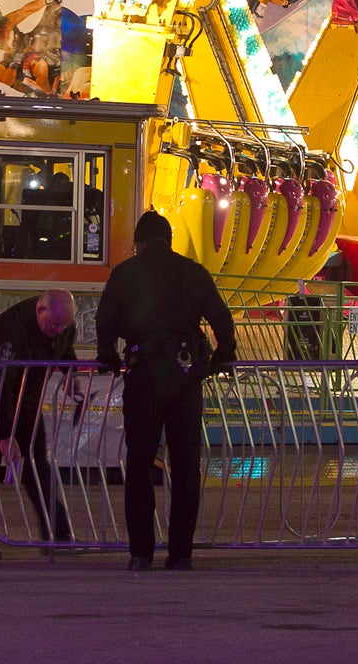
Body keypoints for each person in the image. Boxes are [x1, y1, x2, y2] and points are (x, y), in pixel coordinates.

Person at [95, 211, 236, 571]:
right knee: (186, 466)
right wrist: (223, 356)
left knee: (141, 465)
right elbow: (221, 317)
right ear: (169, 240)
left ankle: (141, 553)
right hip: (184, 375)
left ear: (139, 243)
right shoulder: (192, 271)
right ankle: (181, 554)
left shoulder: (125, 273)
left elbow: (105, 320)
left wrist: (107, 356)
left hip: (143, 376)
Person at [0, 289, 78, 558]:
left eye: (64, 325)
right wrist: (3, 433)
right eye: (54, 324)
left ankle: (57, 534)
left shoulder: (64, 325)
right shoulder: (10, 330)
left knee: (37, 462)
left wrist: (71, 373)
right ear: (40, 310)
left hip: (27, 392)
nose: (58, 330)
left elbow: (64, 348)